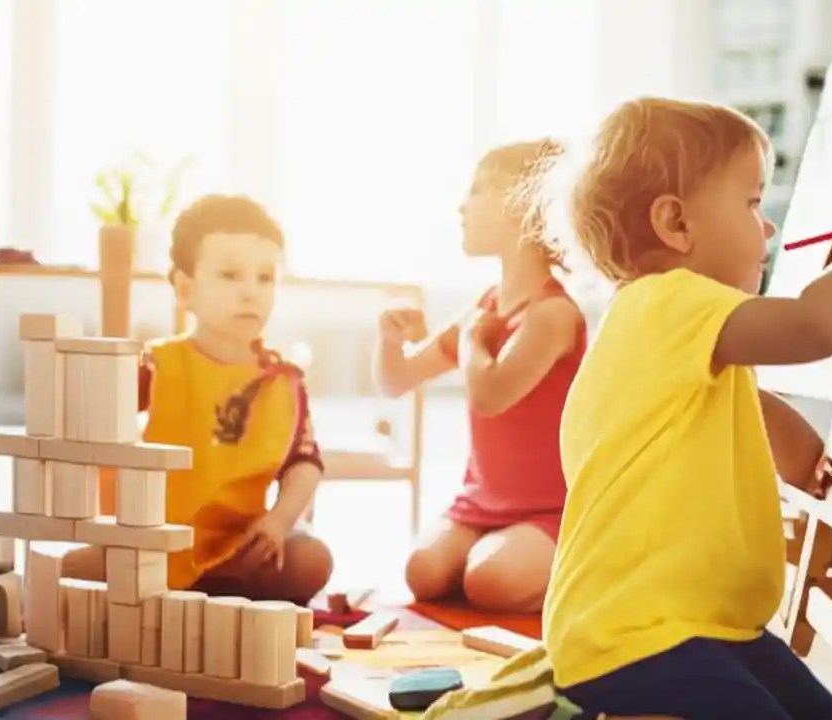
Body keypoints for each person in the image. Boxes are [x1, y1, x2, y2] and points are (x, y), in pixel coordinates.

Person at [542, 97, 832, 718]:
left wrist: (809, 461)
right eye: (752, 203)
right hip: (637, 634)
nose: (767, 228)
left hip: (705, 625)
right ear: (675, 223)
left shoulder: (665, 331)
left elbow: (751, 411)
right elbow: (816, 326)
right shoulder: (668, 301)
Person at [64, 194, 332, 605]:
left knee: (311, 559)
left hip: (238, 547)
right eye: (230, 275)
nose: (251, 292)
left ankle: (211, 593)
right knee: (68, 568)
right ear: (186, 289)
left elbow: (305, 464)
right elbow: (95, 420)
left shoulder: (284, 381)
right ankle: (191, 594)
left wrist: (279, 522)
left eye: (264, 278)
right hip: (153, 543)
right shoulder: (156, 363)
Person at [377, 139, 586, 613]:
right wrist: (389, 340)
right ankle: (499, 559)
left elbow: (491, 394)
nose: (462, 206)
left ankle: (581, 571)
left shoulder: (552, 314)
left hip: (548, 511)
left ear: (521, 205)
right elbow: (396, 380)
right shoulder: (485, 309)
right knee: (423, 572)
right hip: (480, 505)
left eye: (477, 191)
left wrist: (471, 339)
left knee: (488, 580)